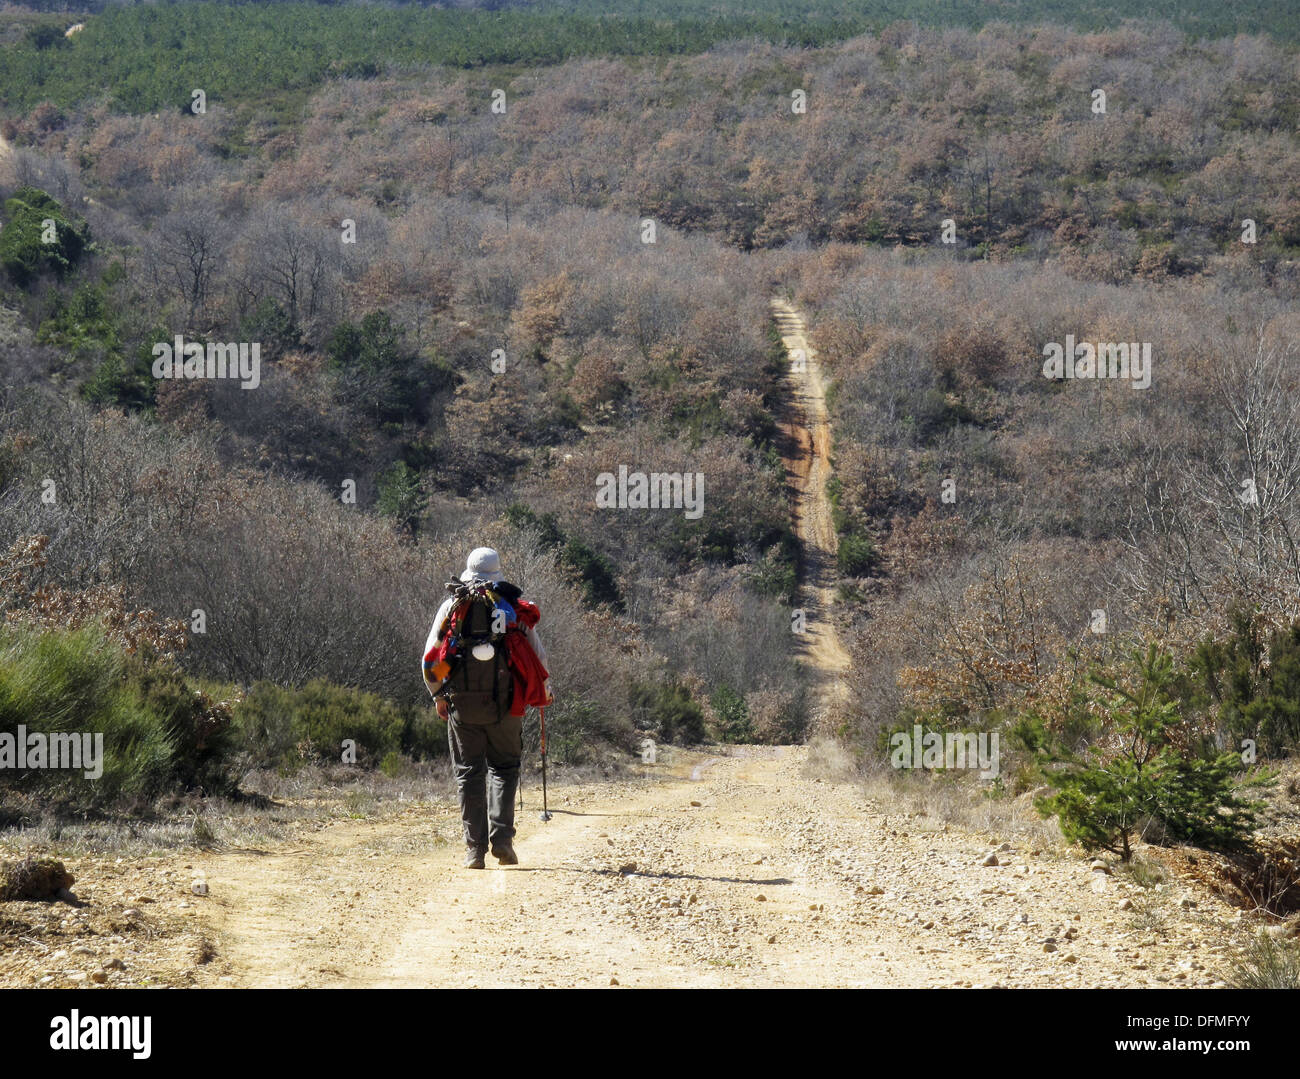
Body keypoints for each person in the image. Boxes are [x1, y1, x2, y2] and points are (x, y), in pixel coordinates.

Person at [423, 547, 550, 870]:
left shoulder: (453, 606)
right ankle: (503, 840)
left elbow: (431, 660)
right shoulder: (512, 607)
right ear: (498, 573)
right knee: (505, 769)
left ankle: (474, 851)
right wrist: (542, 692)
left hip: (462, 707)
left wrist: (439, 696)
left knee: (469, 774)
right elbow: (538, 657)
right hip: (508, 705)